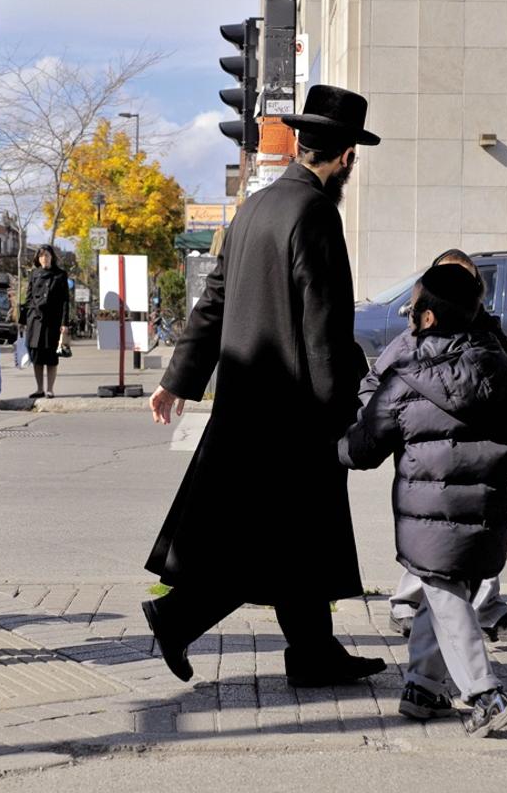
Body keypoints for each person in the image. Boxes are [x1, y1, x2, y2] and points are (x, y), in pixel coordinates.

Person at [142, 84, 387, 688]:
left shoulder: (254, 207)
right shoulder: (316, 213)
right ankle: (177, 617)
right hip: (296, 413)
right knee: (272, 541)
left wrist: (179, 379)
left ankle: (313, 654)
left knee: (292, 542)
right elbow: (324, 326)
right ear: (346, 158)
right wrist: (343, 413)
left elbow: (213, 301)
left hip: (246, 404)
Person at [338, 264, 507, 737]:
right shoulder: (506, 369)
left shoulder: (405, 379)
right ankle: (421, 689)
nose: (407, 312)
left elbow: (362, 449)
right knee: (442, 590)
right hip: (485, 516)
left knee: (447, 597)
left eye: (412, 305)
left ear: (428, 319)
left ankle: (484, 695)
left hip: (425, 519)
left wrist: (333, 446)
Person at [379, 249, 507, 643]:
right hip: (429, 473)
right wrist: (379, 430)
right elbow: (375, 390)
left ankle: (479, 618)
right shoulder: (409, 342)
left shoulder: (493, 343)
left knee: (471, 542)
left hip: (481, 474)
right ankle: (463, 675)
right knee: (435, 548)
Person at [19, 246, 70, 398]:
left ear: (52, 257)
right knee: (37, 356)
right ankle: (39, 388)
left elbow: (65, 301)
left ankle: (50, 389)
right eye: (41, 256)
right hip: (35, 320)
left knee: (51, 356)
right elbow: (28, 298)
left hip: (52, 321)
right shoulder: (34, 274)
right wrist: (23, 320)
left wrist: (64, 323)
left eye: (46, 256)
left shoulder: (60, 275)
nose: (44, 259)